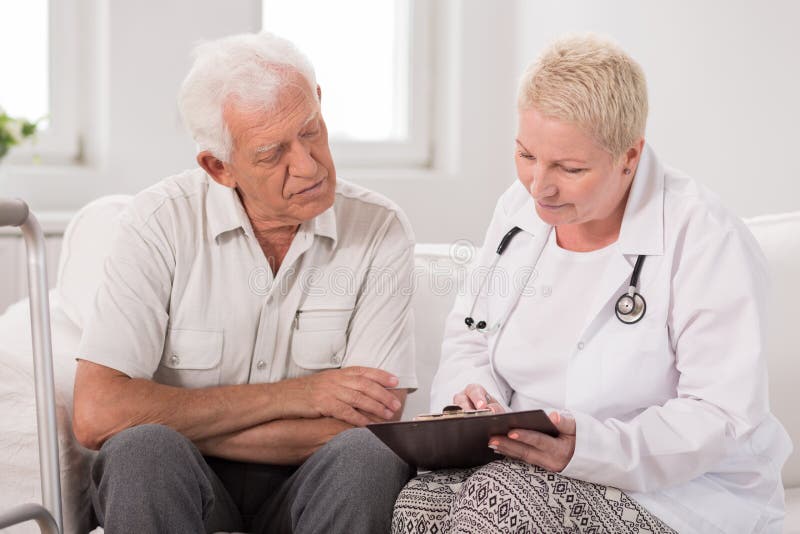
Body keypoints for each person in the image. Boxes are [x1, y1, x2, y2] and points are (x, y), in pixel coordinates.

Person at [393, 34, 792, 533]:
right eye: (526, 155)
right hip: (523, 465)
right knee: (419, 504)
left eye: (570, 168)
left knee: (499, 501)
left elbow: (719, 414)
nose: (539, 186)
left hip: (680, 491)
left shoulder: (705, 237)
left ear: (630, 156)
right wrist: (473, 399)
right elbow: (472, 335)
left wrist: (587, 448)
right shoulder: (518, 212)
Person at [72, 32, 417, 534]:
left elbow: (372, 421)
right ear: (220, 167)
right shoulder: (158, 222)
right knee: (143, 449)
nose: (308, 165)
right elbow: (98, 415)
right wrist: (300, 395)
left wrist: (182, 417)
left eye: (310, 131)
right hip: (183, 479)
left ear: (319, 102)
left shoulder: (380, 228)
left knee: (367, 456)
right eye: (272, 153)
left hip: (312, 482)